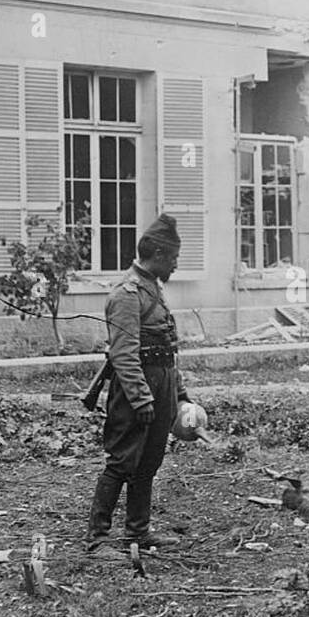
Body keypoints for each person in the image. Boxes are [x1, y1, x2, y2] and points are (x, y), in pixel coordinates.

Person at [88, 213, 192, 549]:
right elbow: (124, 354)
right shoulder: (127, 293)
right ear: (159, 255)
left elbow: (166, 350)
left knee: (149, 461)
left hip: (160, 385)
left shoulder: (152, 288)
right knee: (122, 461)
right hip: (136, 389)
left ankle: (137, 531)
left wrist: (180, 395)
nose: (176, 266)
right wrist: (140, 398)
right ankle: (98, 538)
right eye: (173, 258)